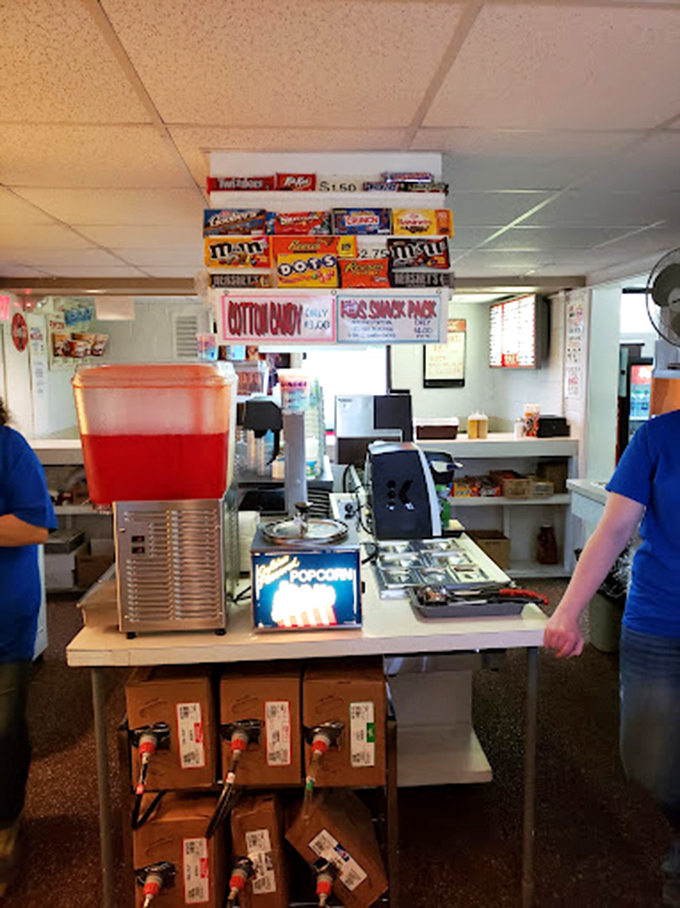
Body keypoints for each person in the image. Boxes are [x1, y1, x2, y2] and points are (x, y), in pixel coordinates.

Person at [544, 407, 680, 907]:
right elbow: (614, 528)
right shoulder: (660, 437)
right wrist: (567, 612)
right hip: (658, 619)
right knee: (648, 759)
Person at [0, 399, 56, 896]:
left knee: (4, 734)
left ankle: (6, 828)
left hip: (4, 620)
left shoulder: (8, 449)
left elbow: (36, 525)